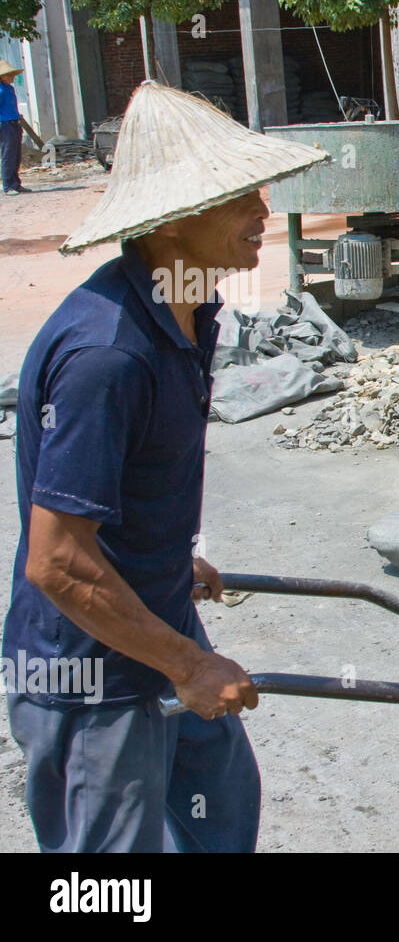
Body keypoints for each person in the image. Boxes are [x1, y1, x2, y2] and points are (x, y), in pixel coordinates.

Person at [3, 82, 327, 851]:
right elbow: (56, 562)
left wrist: (165, 554)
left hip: (152, 620)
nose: (264, 210)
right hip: (89, 673)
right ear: (178, 217)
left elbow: (130, 483)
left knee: (220, 804)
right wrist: (185, 663)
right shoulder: (107, 356)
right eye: (240, 195)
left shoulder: (188, 309)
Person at [0, 59, 31, 196]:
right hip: (4, 124)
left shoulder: (10, 89)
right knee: (8, 154)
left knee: (16, 155)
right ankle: (8, 185)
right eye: (8, 75)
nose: (11, 77)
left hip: (14, 123)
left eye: (12, 75)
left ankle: (16, 183)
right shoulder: (1, 90)